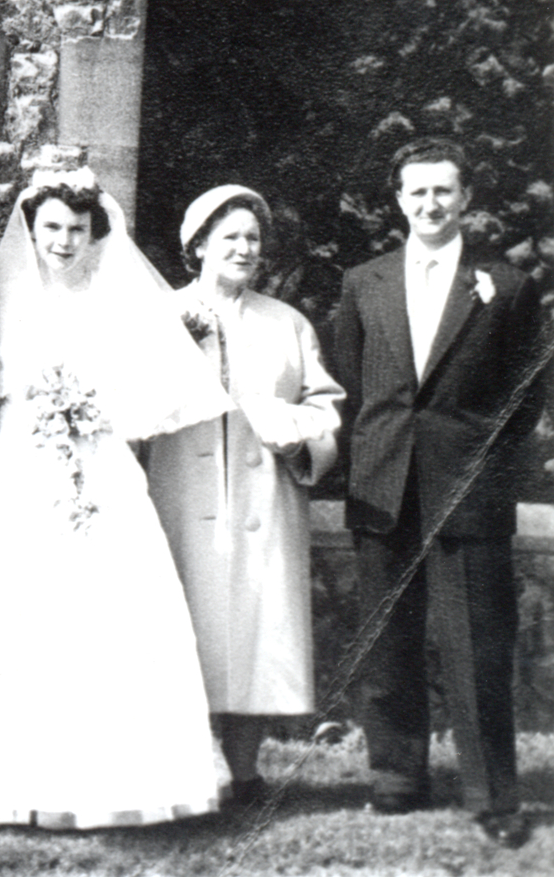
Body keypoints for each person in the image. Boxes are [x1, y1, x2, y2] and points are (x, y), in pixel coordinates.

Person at [0, 170, 233, 829]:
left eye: (75, 229)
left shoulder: (118, 303)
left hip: (102, 472)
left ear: (94, 233)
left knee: (109, 610)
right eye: (50, 227)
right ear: (33, 230)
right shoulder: (3, 299)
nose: (62, 240)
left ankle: (115, 778)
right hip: (27, 470)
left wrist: (93, 413)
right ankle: (10, 777)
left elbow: (150, 392)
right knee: (23, 612)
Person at [333, 137, 544, 847]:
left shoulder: (506, 286)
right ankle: (396, 780)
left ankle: (492, 794)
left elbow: (525, 394)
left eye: (443, 191)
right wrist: (372, 457)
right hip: (384, 484)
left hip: (467, 487)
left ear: (466, 199)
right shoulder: (363, 282)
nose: (430, 203)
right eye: (417, 192)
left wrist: (479, 462)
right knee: (387, 642)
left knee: (479, 645)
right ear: (398, 200)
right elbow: (354, 386)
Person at [147, 185, 344, 805]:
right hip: (180, 496)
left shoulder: (287, 323)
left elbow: (326, 404)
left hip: (263, 503)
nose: (243, 248)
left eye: (253, 239)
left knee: (256, 636)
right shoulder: (158, 315)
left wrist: (299, 435)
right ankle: (187, 768)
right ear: (198, 245)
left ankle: (249, 770)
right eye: (229, 236)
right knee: (187, 631)